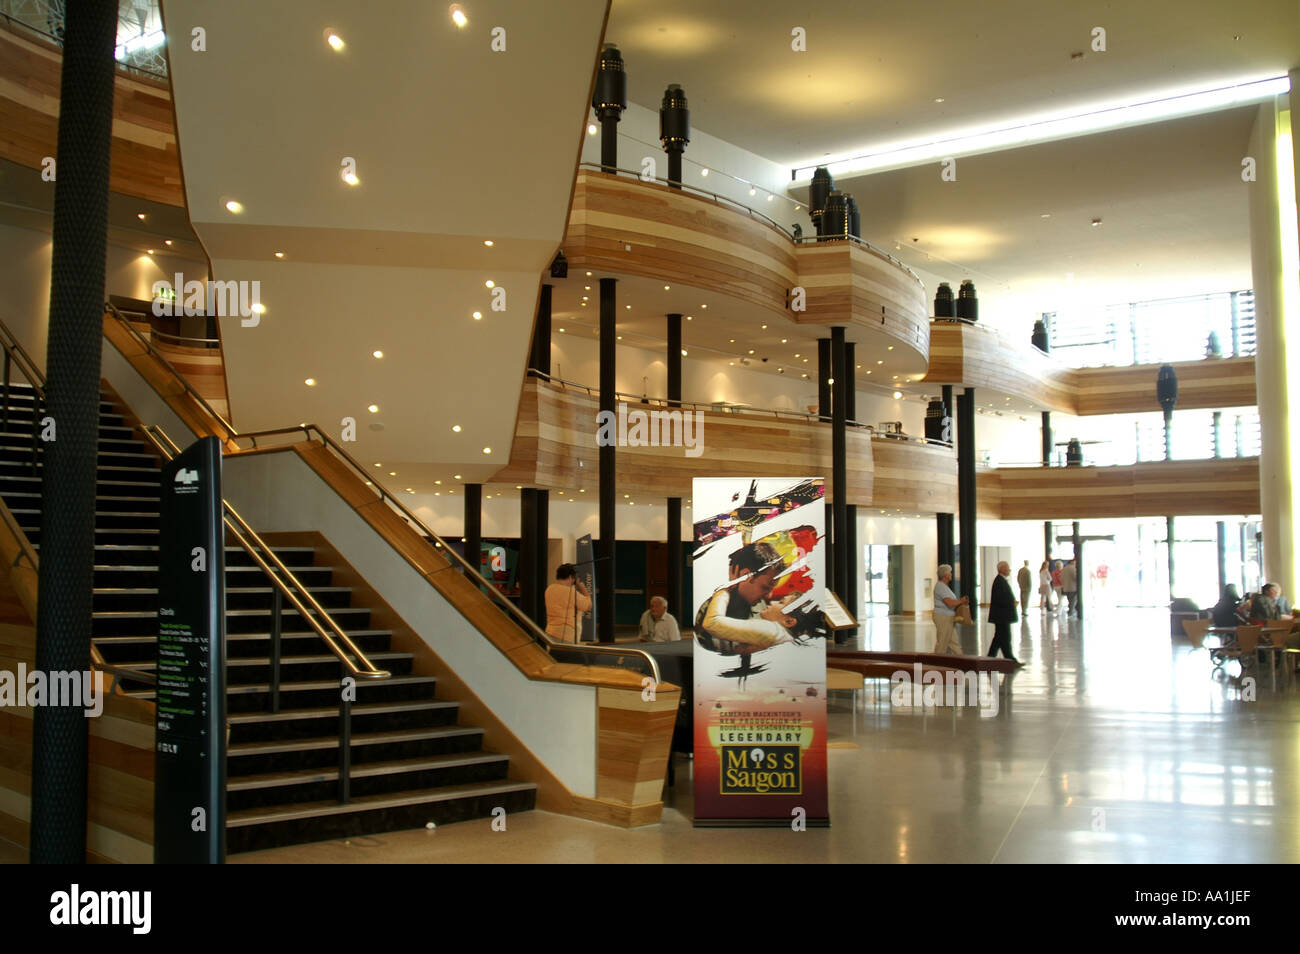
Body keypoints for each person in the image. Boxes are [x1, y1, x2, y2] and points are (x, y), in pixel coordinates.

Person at [697, 541, 795, 653]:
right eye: (765, 587)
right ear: (745, 576)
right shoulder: (707, 606)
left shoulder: (761, 609)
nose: (769, 596)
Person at [987, 561, 1023, 665]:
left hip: (1001, 616)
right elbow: (999, 598)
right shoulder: (999, 581)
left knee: (999, 638)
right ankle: (1010, 660)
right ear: (1002, 569)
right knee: (1004, 638)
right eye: (1008, 568)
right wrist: (1011, 602)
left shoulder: (1001, 580)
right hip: (1001, 616)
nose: (1009, 570)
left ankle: (991, 658)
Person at [543, 563, 591, 643]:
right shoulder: (571, 593)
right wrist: (582, 588)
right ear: (570, 577)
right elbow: (588, 606)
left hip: (550, 633)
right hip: (566, 636)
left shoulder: (549, 589)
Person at [932, 564, 968, 655]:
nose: (951, 574)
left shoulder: (944, 586)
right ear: (945, 575)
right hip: (943, 617)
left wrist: (960, 602)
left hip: (948, 617)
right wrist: (961, 600)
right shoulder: (940, 587)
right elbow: (950, 603)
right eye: (950, 573)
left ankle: (961, 661)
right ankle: (935, 663)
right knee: (942, 642)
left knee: (954, 643)